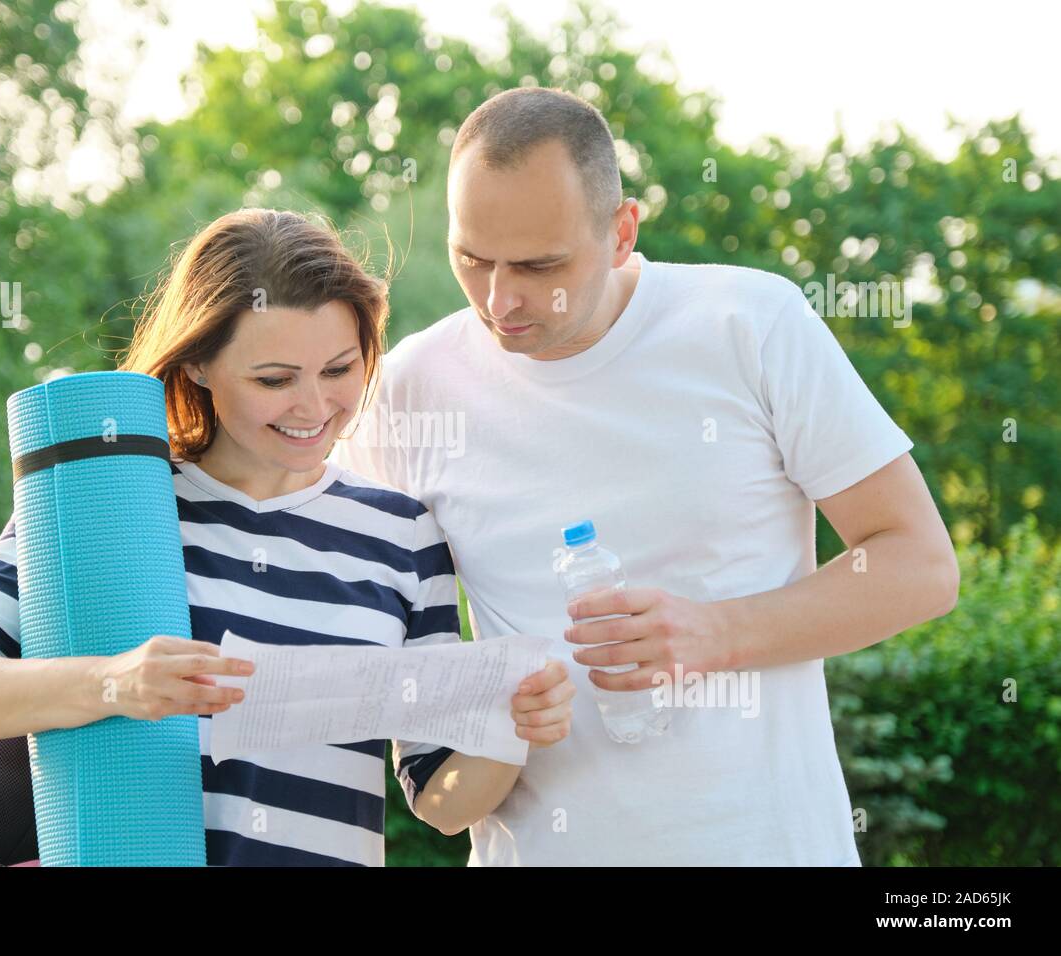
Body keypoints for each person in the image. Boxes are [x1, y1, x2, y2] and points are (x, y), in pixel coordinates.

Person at [328, 87, 960, 865]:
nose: (501, 300)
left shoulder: (751, 324)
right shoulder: (412, 388)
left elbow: (920, 565)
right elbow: (332, 595)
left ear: (622, 231)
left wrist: (714, 633)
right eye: (472, 258)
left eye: (538, 264)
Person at [0, 208, 576, 866]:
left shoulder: (404, 535)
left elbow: (439, 803)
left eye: (340, 369)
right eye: (274, 380)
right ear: (197, 366)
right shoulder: (104, 507)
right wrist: (115, 683)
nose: (314, 408)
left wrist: (508, 730)